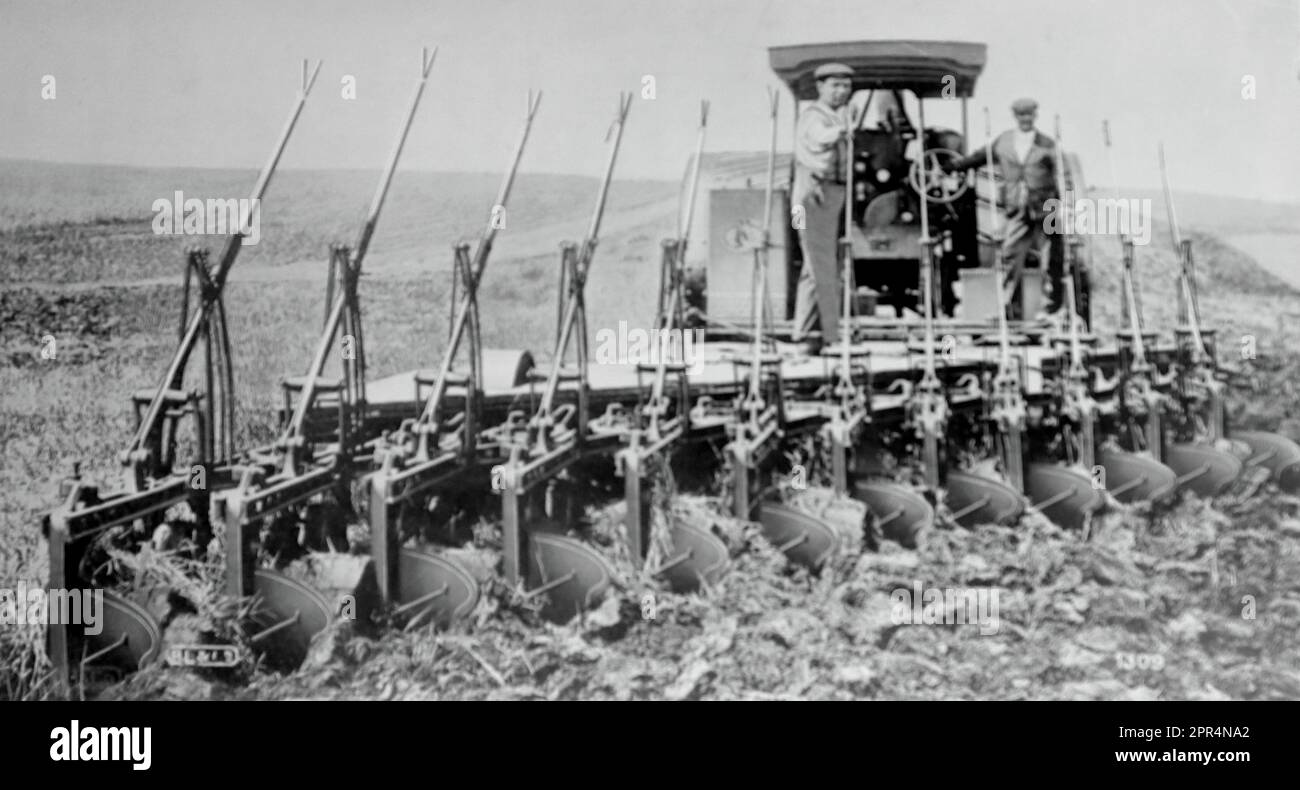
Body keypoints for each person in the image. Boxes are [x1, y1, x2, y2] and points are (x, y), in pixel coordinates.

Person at [945, 97, 1065, 315]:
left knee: (1050, 260)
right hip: (1017, 208)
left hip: (1047, 209)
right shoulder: (1004, 142)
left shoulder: (1047, 145)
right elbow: (980, 157)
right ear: (1015, 117)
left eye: (1029, 115)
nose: (1025, 119)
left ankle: (1051, 308)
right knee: (1010, 254)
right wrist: (954, 166)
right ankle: (1006, 306)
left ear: (1035, 116)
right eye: (1021, 115)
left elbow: (1063, 176)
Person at [791, 62, 854, 353]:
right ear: (820, 87)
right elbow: (821, 137)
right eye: (835, 86)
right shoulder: (814, 117)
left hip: (830, 193)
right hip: (813, 194)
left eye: (846, 86)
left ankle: (810, 335)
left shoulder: (832, 116)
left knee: (817, 267)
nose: (841, 92)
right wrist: (843, 129)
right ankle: (823, 336)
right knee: (819, 266)